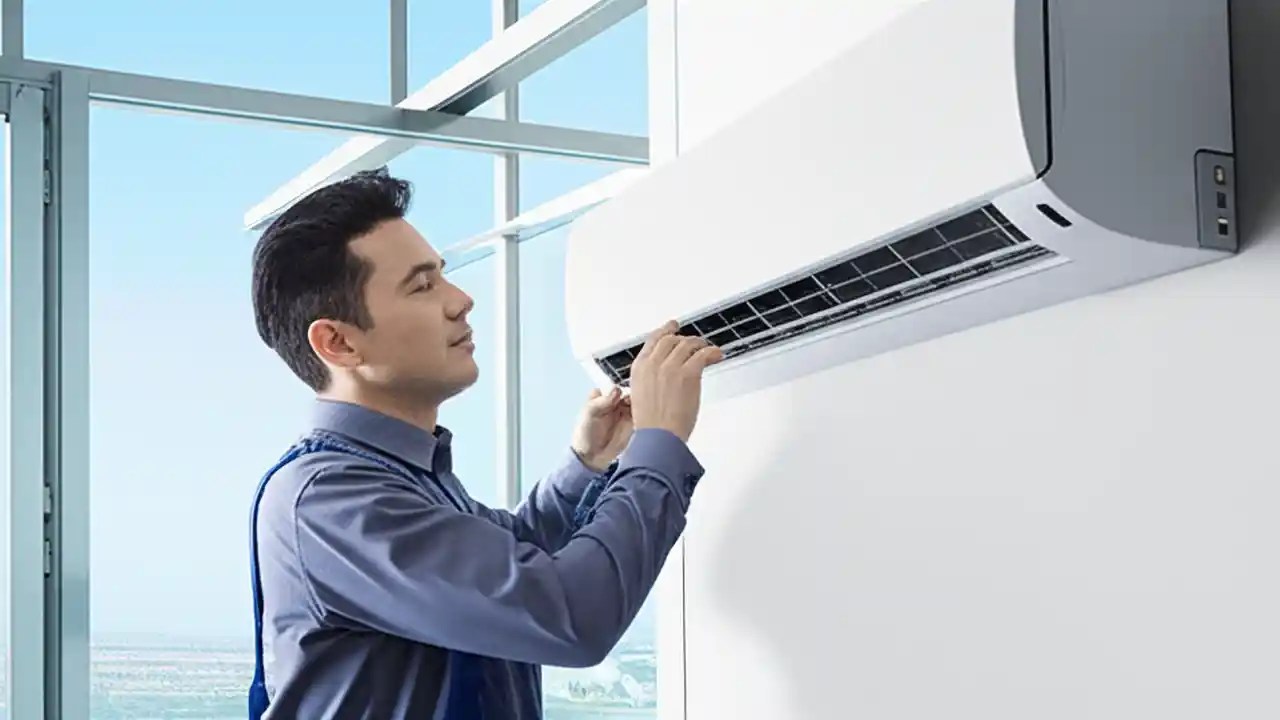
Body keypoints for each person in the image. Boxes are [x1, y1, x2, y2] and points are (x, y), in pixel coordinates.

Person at [247, 167, 723, 719]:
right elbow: (570, 615)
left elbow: (510, 560)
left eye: (443, 276)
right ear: (339, 341)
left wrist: (587, 465)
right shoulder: (332, 499)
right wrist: (659, 445)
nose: (460, 300)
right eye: (422, 285)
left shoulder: (400, 476)